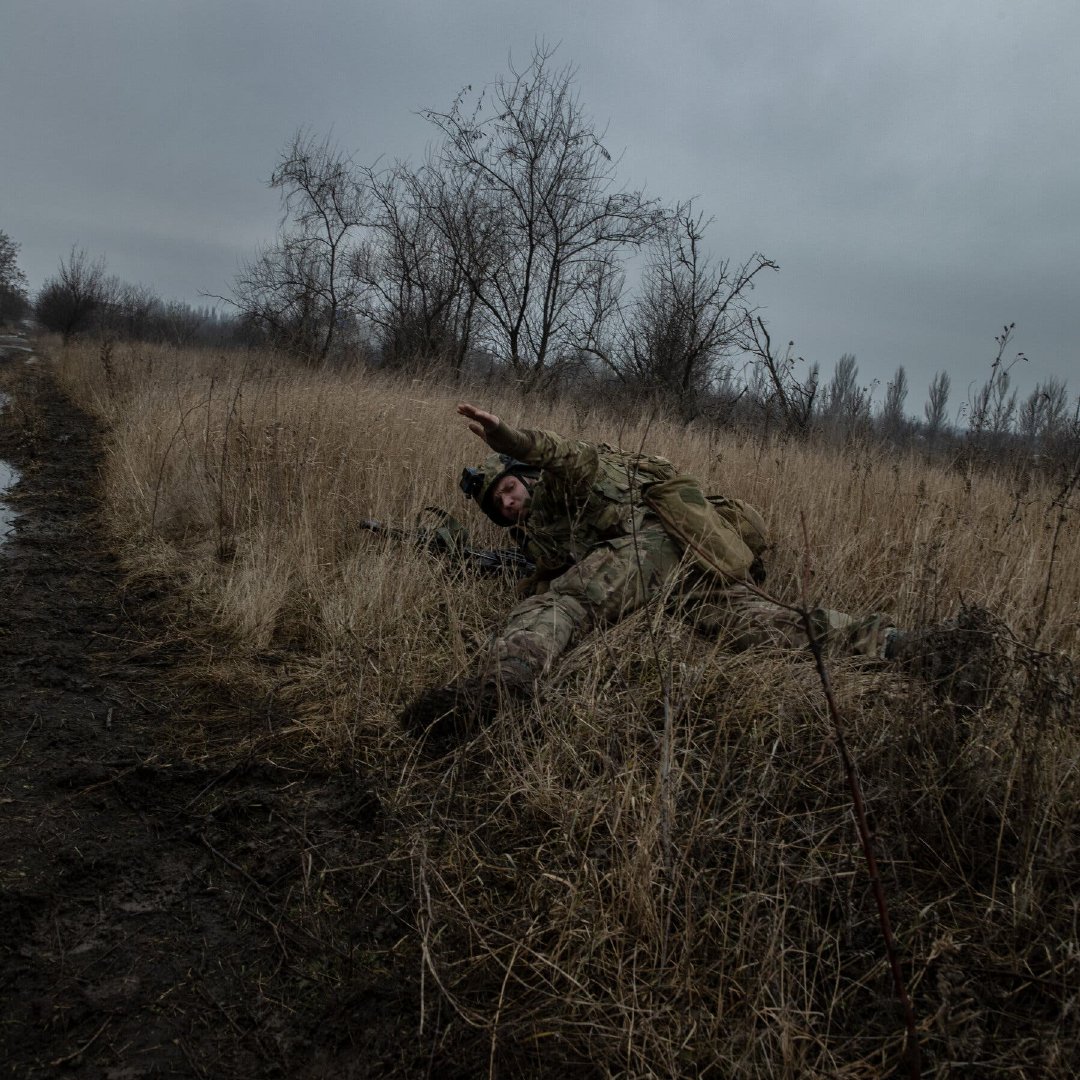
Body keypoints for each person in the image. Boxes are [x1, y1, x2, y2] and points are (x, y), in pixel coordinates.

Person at [399, 403, 964, 739]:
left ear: (525, 475)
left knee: (567, 603)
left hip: (656, 541)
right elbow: (556, 563)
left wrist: (510, 438)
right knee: (764, 627)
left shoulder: (568, 478)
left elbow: (565, 453)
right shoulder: (539, 532)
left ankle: (501, 687)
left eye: (510, 488)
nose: (509, 503)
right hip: (679, 566)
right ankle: (902, 647)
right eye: (499, 506)